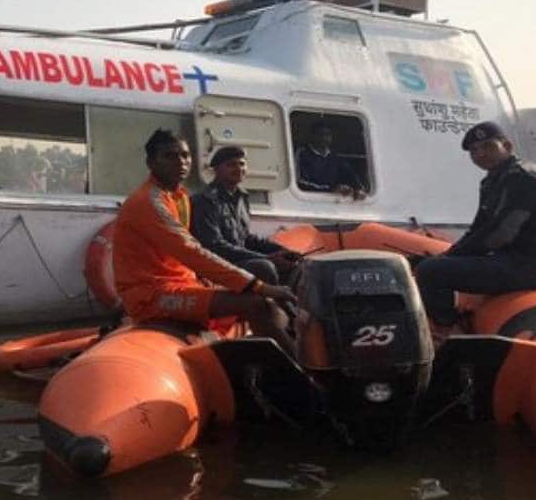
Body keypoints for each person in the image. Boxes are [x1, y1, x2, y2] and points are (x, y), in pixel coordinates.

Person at [113, 129, 297, 354]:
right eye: (170, 156)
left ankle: (286, 352)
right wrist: (257, 285)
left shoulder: (179, 196)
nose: (180, 162)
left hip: (181, 283)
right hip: (151, 295)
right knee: (256, 301)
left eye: (185, 156)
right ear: (151, 163)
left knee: (267, 304)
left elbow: (193, 251)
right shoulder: (150, 202)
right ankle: (303, 378)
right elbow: (190, 250)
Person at [414, 121, 536, 331]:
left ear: (507, 146)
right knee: (434, 264)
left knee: (429, 271)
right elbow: (478, 230)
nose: (480, 154)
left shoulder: (523, 178)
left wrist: (444, 260)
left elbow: (501, 234)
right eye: (474, 151)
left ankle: (445, 330)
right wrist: (449, 256)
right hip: (515, 259)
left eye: (488, 146)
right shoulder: (495, 180)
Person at [191, 145, 301, 285]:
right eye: (231, 165)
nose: (238, 169)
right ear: (217, 170)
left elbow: (246, 238)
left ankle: (286, 304)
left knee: (294, 265)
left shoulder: (241, 197)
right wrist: (268, 258)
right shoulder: (204, 200)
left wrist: (283, 251)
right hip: (216, 265)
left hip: (239, 260)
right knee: (264, 267)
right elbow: (214, 246)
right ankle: (270, 304)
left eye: (242, 164)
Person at [295, 122, 366, 198]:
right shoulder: (302, 154)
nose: (324, 138)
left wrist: (358, 189)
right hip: (308, 199)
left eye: (328, 135)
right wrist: (331, 189)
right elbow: (299, 181)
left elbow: (351, 176)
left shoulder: (335, 158)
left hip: (332, 201)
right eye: (320, 134)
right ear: (312, 136)